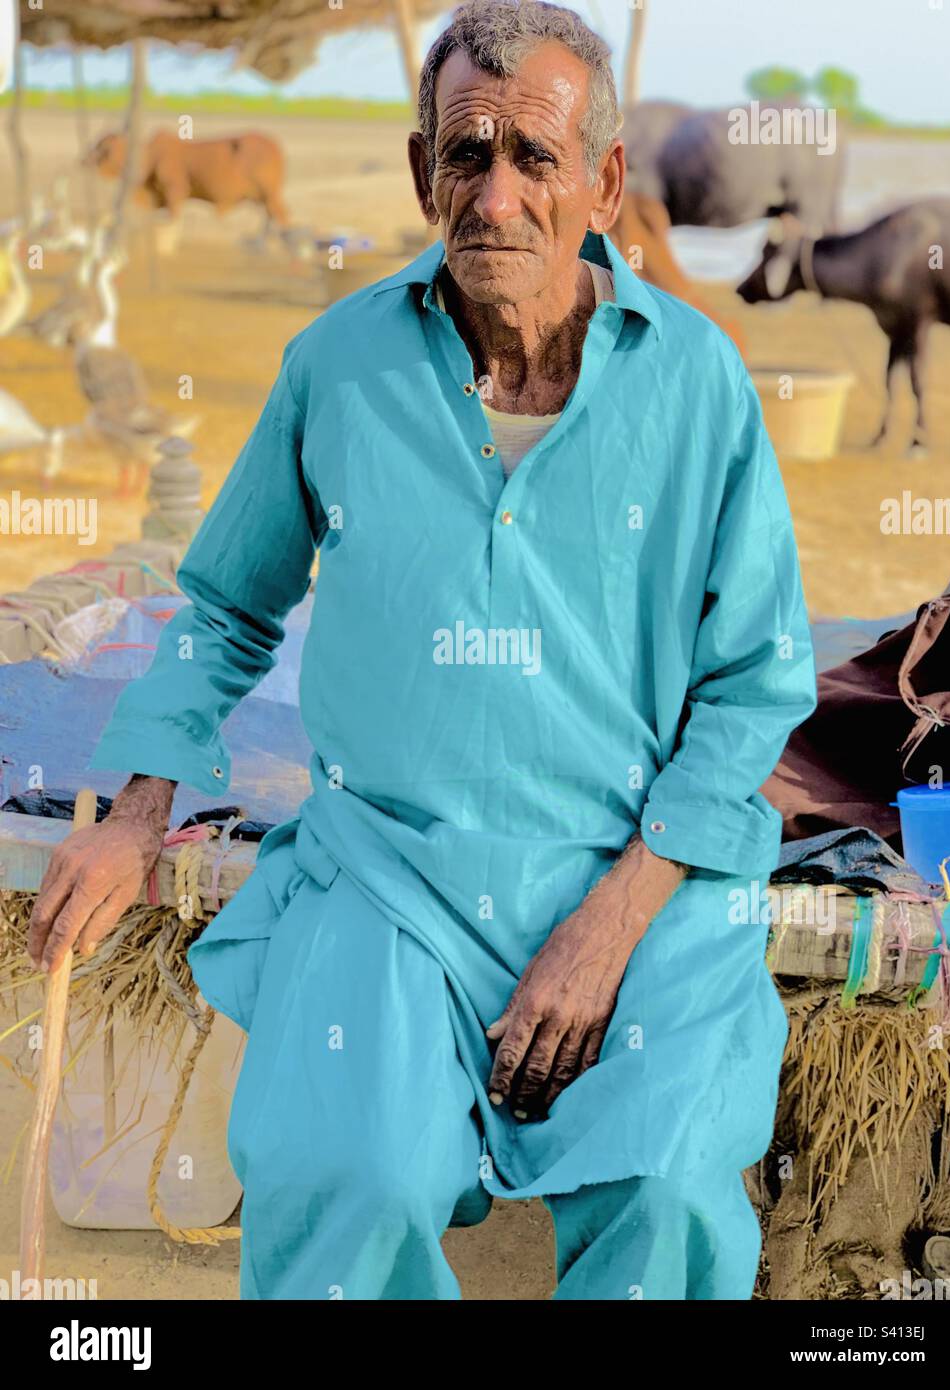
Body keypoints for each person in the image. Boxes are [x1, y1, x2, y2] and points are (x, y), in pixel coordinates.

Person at [28, 0, 817, 1301]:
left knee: (672, 1196)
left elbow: (756, 679)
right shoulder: (335, 370)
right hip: (390, 875)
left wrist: (610, 923)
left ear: (606, 181)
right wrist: (136, 809)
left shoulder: (700, 386)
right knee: (347, 1177)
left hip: (639, 877)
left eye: (536, 158)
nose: (494, 196)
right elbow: (224, 608)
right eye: (466, 155)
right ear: (420, 173)